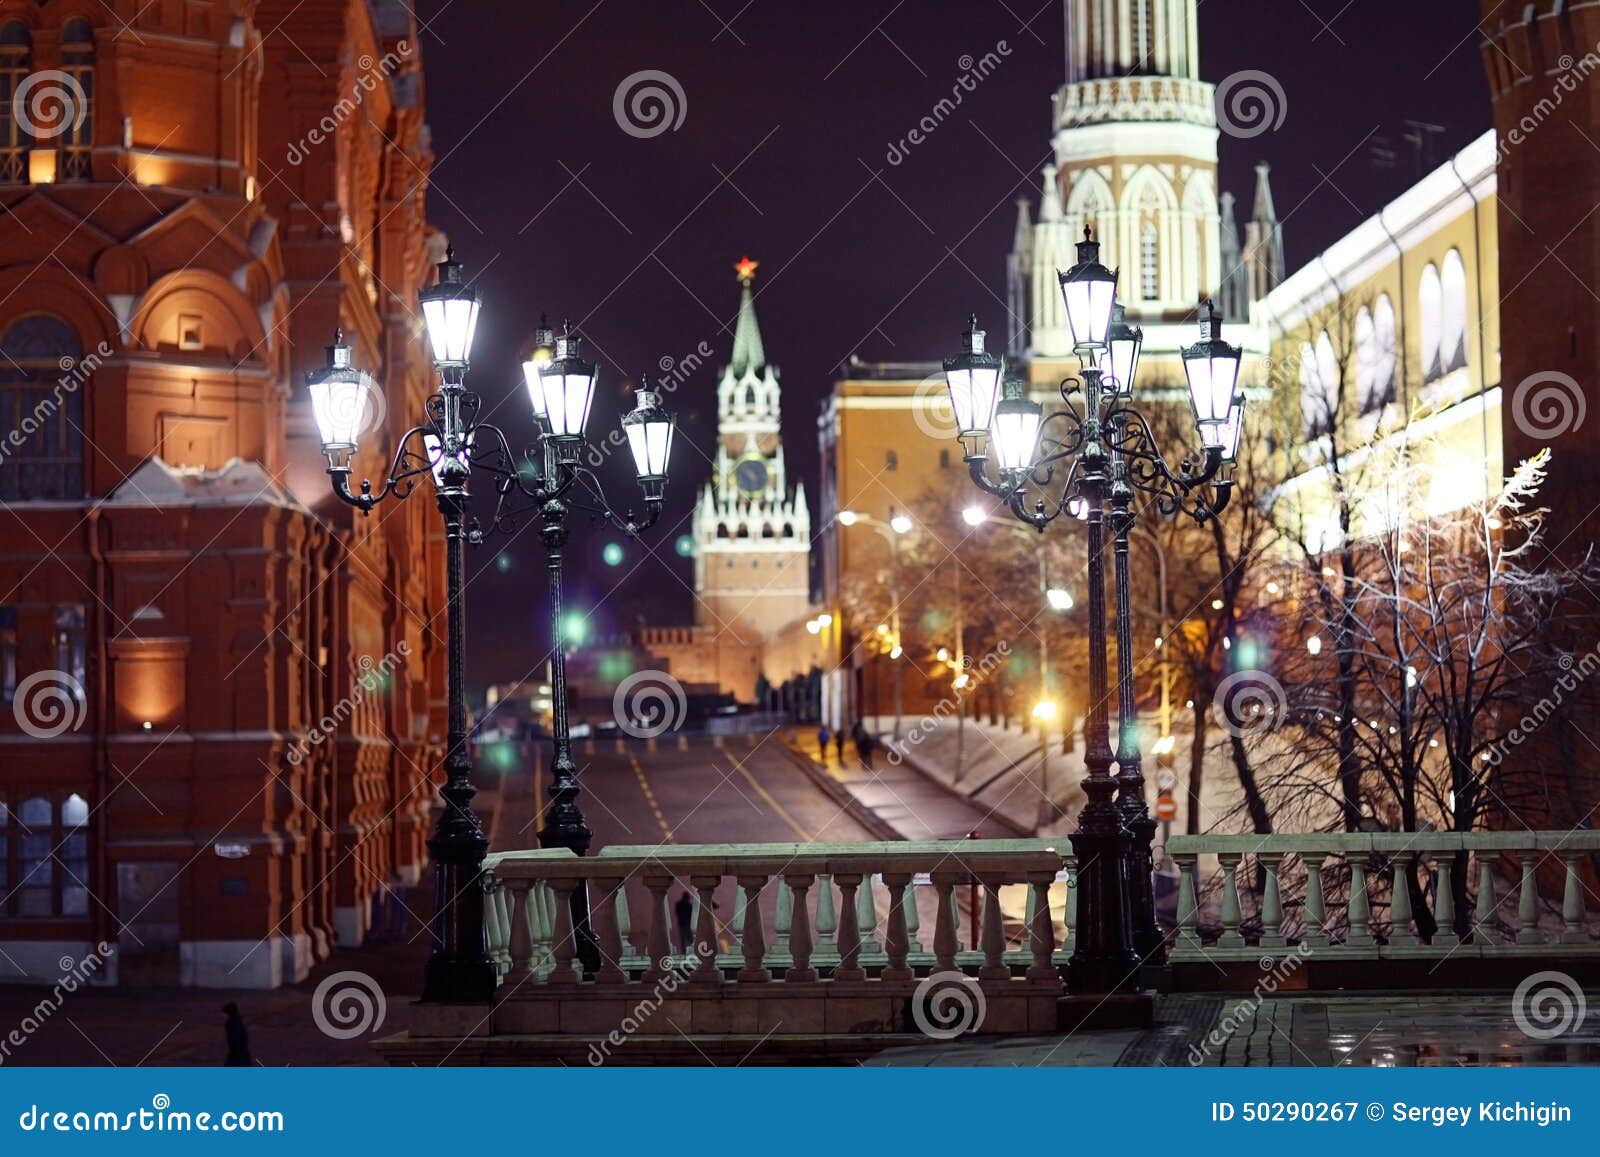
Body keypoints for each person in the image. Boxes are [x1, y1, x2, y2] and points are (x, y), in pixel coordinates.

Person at [673, 890, 695, 958]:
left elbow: (677, 913)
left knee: (683, 939)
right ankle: (693, 952)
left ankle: (684, 953)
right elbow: (690, 914)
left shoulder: (678, 904)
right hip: (687, 924)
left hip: (681, 923)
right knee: (689, 939)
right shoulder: (689, 905)